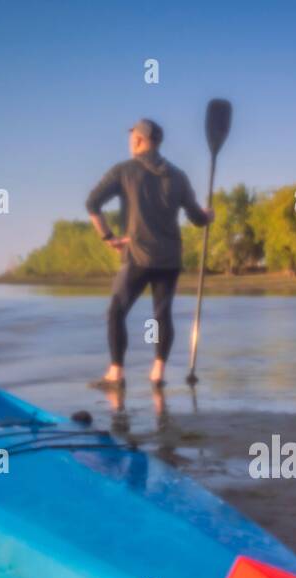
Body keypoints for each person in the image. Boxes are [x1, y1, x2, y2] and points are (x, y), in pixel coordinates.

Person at [86, 118, 213, 388]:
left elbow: (92, 203)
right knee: (162, 314)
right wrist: (207, 215)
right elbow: (198, 219)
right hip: (169, 259)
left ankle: (116, 374)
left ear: (139, 140)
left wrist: (108, 237)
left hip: (137, 257)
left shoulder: (124, 170)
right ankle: (158, 373)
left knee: (116, 312)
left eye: (132, 136)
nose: (130, 140)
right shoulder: (178, 175)